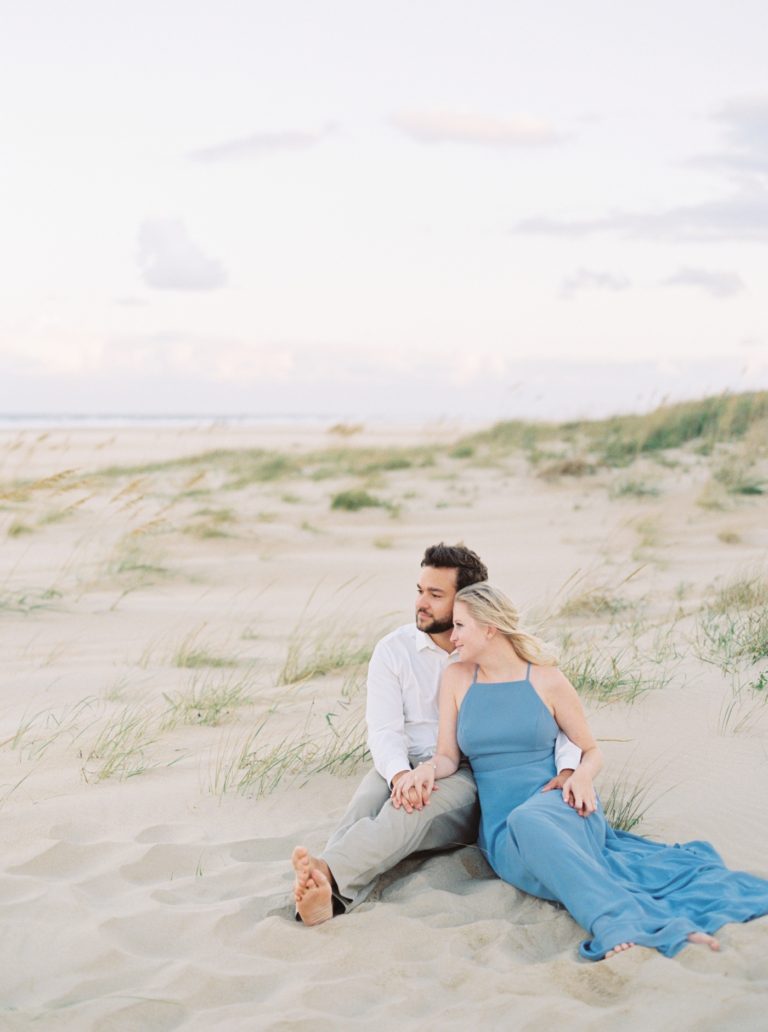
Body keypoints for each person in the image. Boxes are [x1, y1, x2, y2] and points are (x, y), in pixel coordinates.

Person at [392, 581, 768, 960]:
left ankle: (613, 919)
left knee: (532, 821)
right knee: (535, 841)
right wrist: (427, 770)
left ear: (489, 628)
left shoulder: (546, 678)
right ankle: (638, 914)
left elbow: (591, 750)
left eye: (460, 625)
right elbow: (447, 756)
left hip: (563, 804)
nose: (452, 636)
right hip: (503, 831)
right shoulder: (457, 678)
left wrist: (582, 776)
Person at [292, 544, 582, 925]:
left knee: (406, 812)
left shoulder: (487, 649)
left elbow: (552, 719)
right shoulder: (393, 650)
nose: (421, 603)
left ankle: (327, 874)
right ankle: (324, 896)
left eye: (435, 595)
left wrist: (570, 769)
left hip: (462, 772)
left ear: (465, 602)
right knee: (365, 803)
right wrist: (400, 775)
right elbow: (383, 730)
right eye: (419, 590)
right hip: (402, 763)